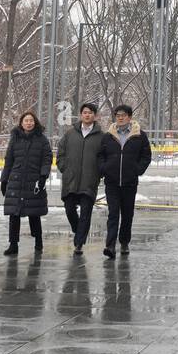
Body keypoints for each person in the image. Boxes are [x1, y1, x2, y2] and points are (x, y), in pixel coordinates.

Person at [97, 104, 152, 259]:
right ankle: (110, 245)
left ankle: (124, 241)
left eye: (123, 115)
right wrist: (104, 168)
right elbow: (101, 155)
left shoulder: (140, 136)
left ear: (129, 117)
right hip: (112, 182)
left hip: (129, 182)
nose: (120, 118)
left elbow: (146, 156)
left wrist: (137, 170)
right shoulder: (108, 136)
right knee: (113, 214)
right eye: (117, 115)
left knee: (127, 214)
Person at [0, 111, 52, 255]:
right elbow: (8, 160)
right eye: (26, 120)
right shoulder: (15, 139)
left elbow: (47, 159)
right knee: (14, 214)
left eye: (31, 120)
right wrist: (4, 179)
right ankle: (13, 244)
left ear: (35, 123)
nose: (28, 123)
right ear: (21, 123)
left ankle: (38, 241)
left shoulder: (41, 139)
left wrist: (43, 177)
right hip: (16, 181)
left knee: (34, 213)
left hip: (33, 181)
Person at [56, 102, 104, 254]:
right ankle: (79, 231)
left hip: (90, 180)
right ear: (81, 115)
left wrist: (99, 172)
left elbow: (105, 157)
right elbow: (61, 152)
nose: (87, 115)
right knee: (69, 209)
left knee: (86, 213)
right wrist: (64, 167)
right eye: (84, 112)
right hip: (71, 179)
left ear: (95, 115)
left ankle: (79, 243)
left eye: (90, 112)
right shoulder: (70, 134)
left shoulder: (101, 137)